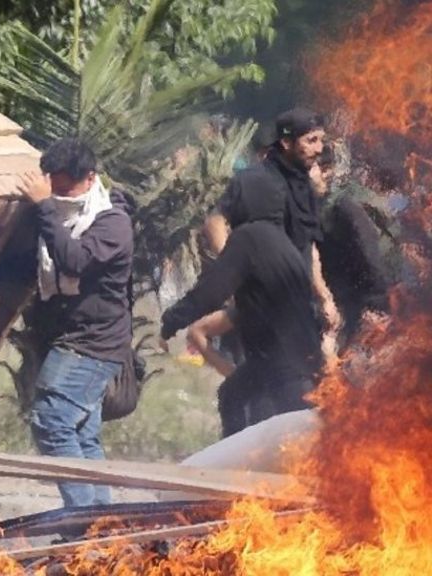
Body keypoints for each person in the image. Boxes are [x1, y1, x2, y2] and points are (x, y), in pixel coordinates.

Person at [13, 138, 134, 507]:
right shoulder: (59, 215)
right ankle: (101, 525)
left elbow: (75, 261)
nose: (58, 195)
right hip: (73, 339)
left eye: (66, 188)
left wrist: (45, 209)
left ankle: (81, 521)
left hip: (93, 345)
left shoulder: (112, 223)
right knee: (82, 435)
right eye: (54, 186)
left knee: (51, 421)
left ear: (90, 178)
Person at [160, 181, 322, 436]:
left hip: (289, 372)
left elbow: (209, 297)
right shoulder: (273, 242)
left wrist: (171, 322)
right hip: (274, 368)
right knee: (233, 396)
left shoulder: (255, 241)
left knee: (284, 432)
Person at [214, 109, 341, 348]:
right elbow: (215, 223)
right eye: (311, 141)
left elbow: (308, 245)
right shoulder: (254, 180)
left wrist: (325, 298)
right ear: (286, 142)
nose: (319, 148)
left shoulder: (305, 186)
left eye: (321, 140)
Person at [311, 145, 392, 349]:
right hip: (339, 301)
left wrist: (377, 304)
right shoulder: (309, 206)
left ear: (326, 170)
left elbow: (370, 253)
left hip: (367, 302)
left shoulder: (345, 206)